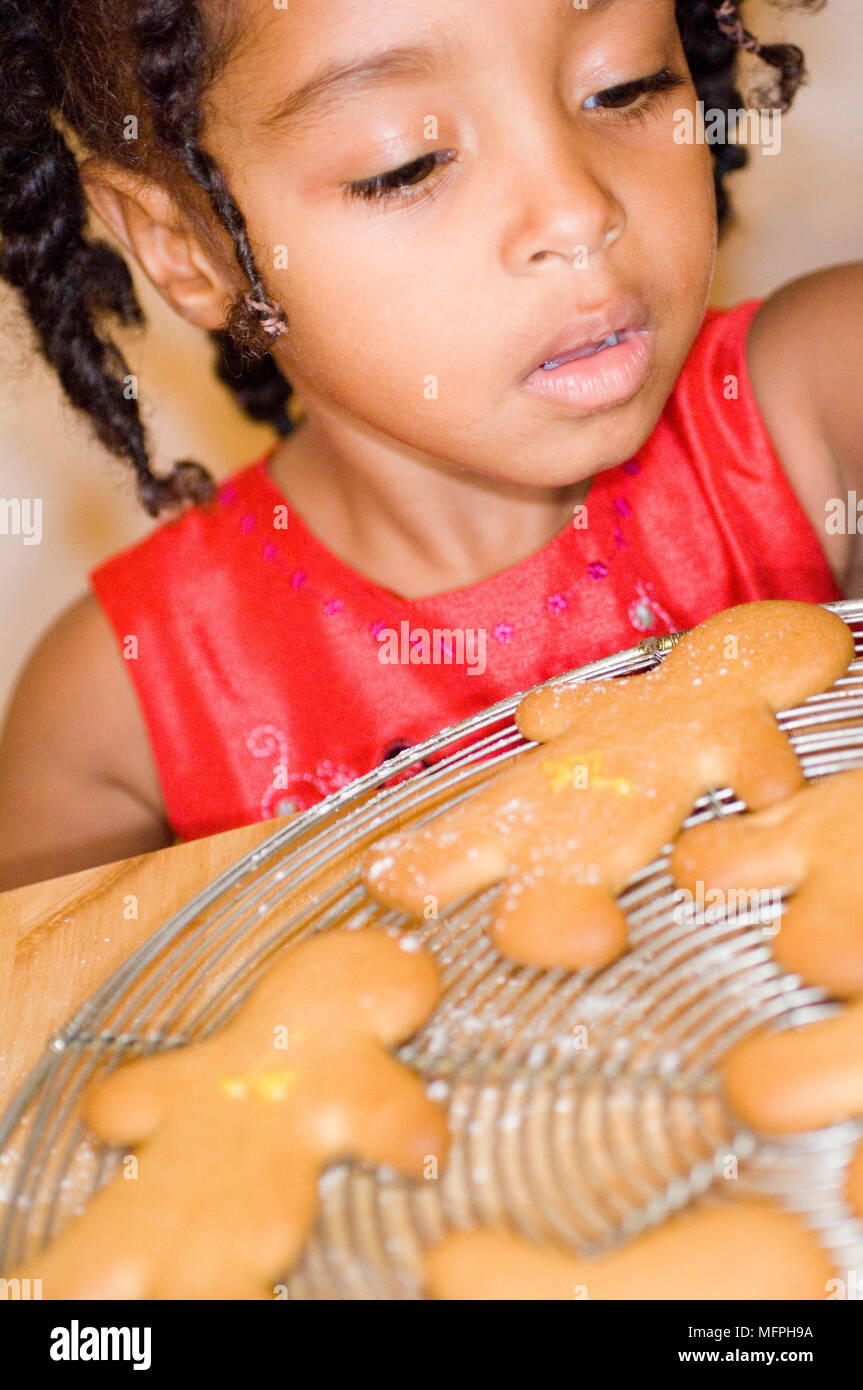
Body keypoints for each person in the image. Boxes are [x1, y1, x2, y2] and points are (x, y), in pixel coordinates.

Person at [0, 0, 859, 889]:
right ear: (183, 247)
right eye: (403, 166)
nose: (575, 214)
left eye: (623, 86)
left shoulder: (820, 406)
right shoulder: (117, 717)